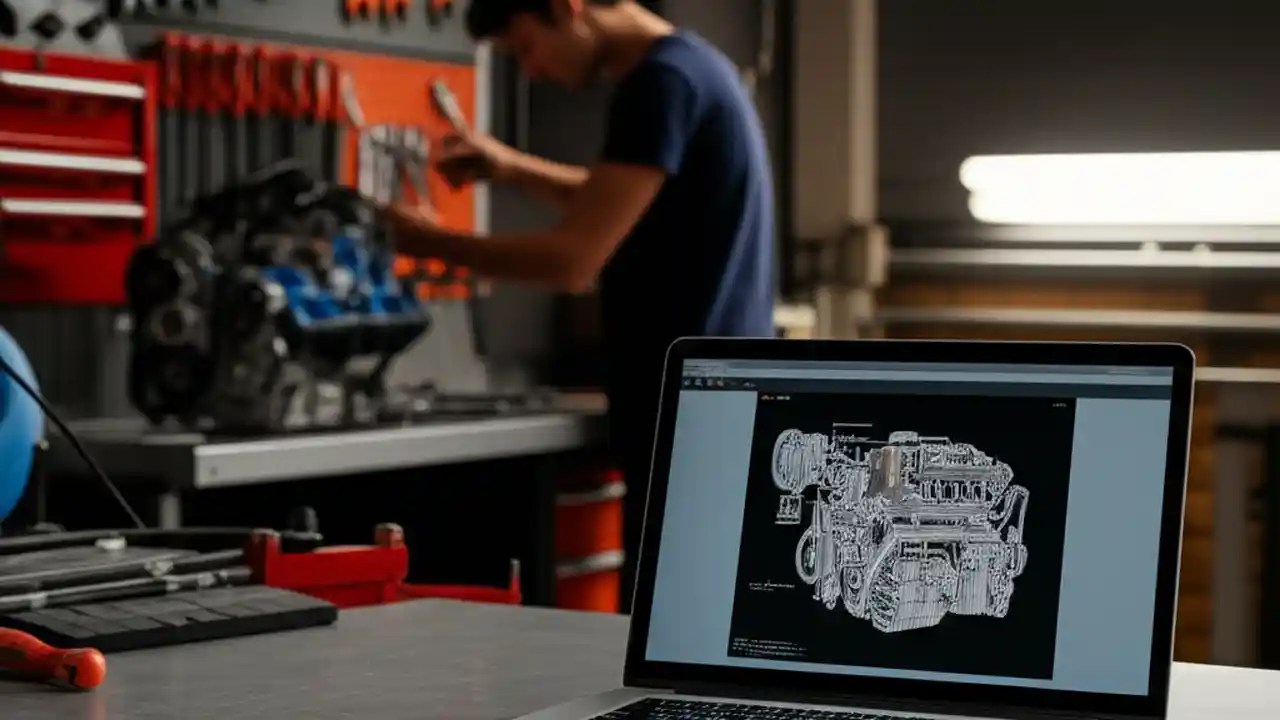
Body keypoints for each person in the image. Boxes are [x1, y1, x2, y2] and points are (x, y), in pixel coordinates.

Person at [380, 0, 776, 611]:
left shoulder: (659, 84)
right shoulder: (696, 65)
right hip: (720, 403)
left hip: (692, 411)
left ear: (568, 8)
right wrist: (510, 167)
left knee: (668, 628)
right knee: (696, 626)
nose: (532, 71)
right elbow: (620, 202)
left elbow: (573, 261)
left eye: (525, 48)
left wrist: (424, 242)